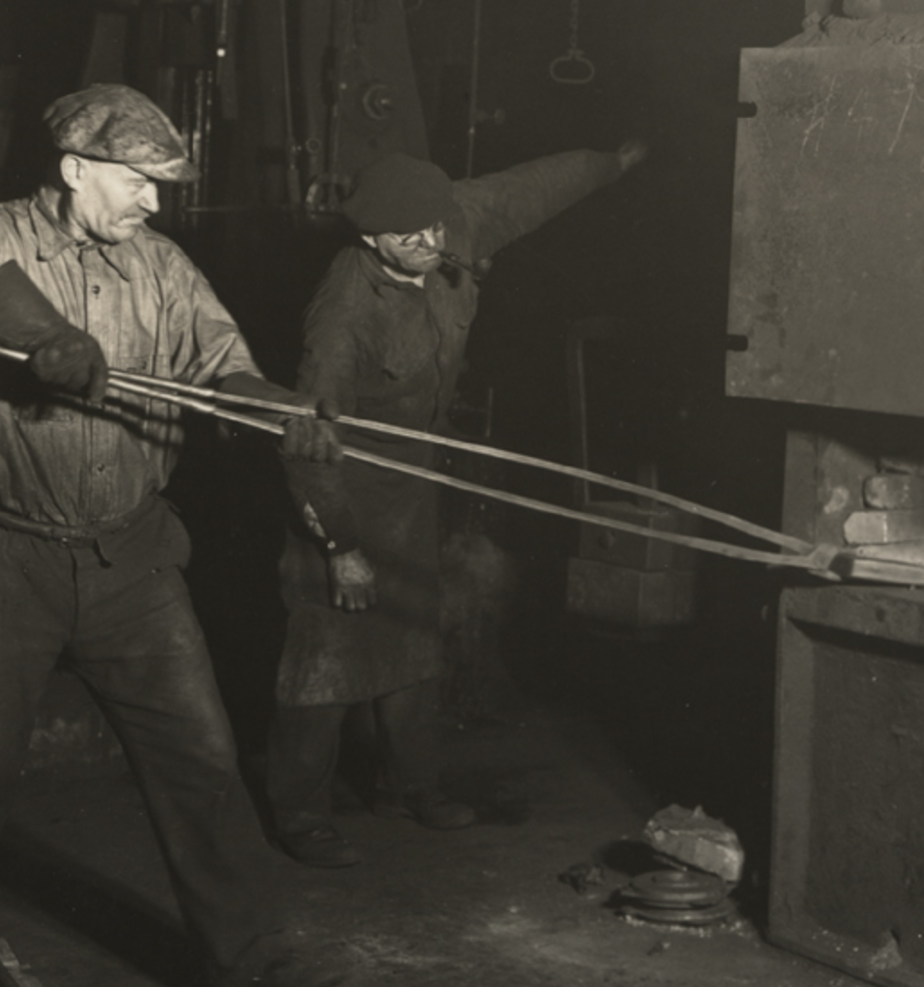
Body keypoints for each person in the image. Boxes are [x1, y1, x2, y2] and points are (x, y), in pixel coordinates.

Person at [0, 82, 355, 987]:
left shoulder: (165, 268)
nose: (153, 204)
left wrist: (282, 409)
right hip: (0, 556)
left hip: (131, 559)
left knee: (202, 757)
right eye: (138, 182)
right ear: (77, 169)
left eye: (161, 188)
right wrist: (33, 332)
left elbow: (226, 368)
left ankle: (246, 957)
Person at [266, 140, 647, 868]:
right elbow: (304, 446)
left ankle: (408, 785)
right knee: (326, 656)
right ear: (370, 239)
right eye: (408, 239)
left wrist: (618, 158)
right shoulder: (341, 316)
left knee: (413, 634)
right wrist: (340, 549)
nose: (430, 246)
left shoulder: (442, 224)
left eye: (436, 230)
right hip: (343, 487)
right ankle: (299, 812)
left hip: (413, 481)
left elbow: (533, 181)